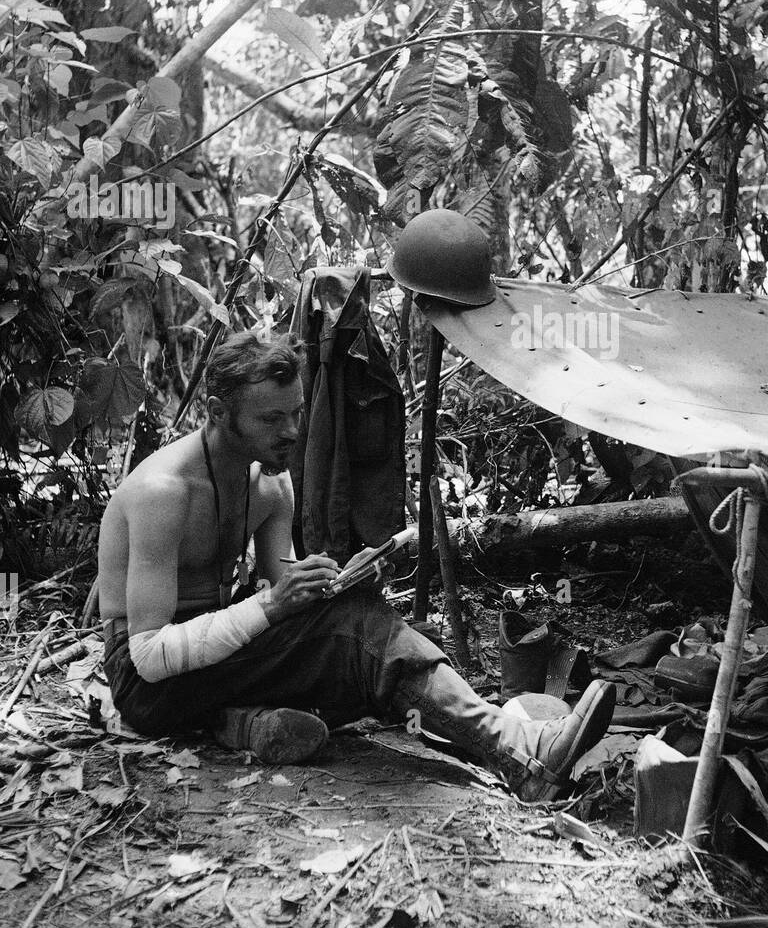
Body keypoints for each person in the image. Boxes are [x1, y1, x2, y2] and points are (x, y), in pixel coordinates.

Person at [97, 332, 615, 801]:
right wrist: (276, 604)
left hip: (215, 658)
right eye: (272, 419)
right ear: (216, 411)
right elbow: (149, 657)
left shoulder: (270, 483)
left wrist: (337, 584)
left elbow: (288, 600)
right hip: (149, 687)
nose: (293, 431)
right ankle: (519, 748)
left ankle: (237, 723)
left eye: (297, 413)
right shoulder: (163, 492)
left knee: (354, 616)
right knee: (355, 637)